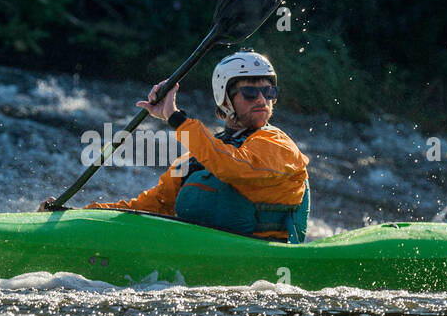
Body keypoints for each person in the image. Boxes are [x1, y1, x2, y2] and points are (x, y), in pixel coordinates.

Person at [39, 50, 310, 242]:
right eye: (251, 92)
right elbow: (152, 205)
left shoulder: (278, 145)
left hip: (265, 256)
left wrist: (175, 118)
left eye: (269, 91)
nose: (262, 99)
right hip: (202, 250)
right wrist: (77, 218)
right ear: (225, 99)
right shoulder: (198, 157)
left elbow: (232, 167)